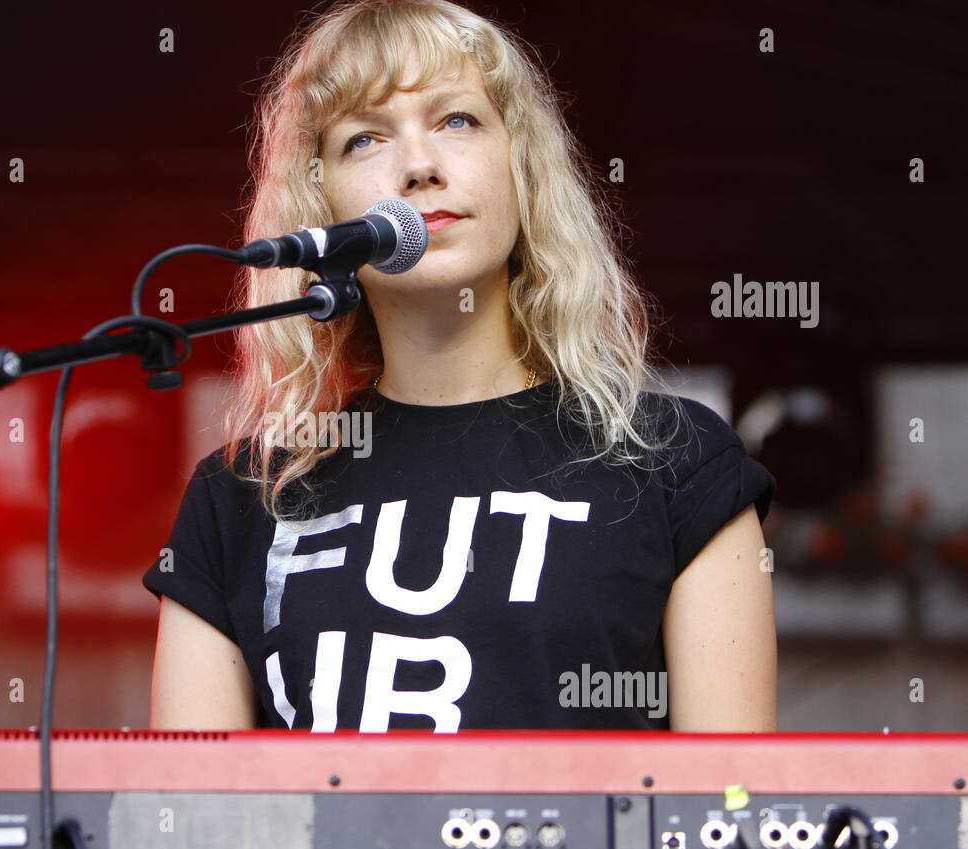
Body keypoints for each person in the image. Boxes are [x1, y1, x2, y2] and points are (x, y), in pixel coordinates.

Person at [142, 0, 777, 733]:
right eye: (364, 139)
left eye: (457, 121)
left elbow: (728, 812)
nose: (419, 167)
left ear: (522, 167)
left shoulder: (677, 462)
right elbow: (196, 824)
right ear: (320, 211)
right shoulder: (242, 496)